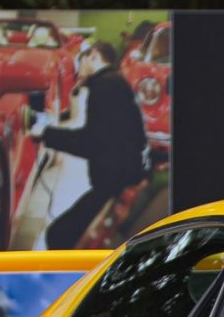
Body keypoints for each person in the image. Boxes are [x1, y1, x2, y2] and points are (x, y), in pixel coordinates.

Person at [38, 39, 147, 249]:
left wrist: (47, 134)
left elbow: (91, 143)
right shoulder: (114, 82)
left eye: (83, 59)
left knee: (58, 235)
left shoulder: (104, 87)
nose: (79, 67)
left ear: (94, 56)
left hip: (115, 184)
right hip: (121, 178)